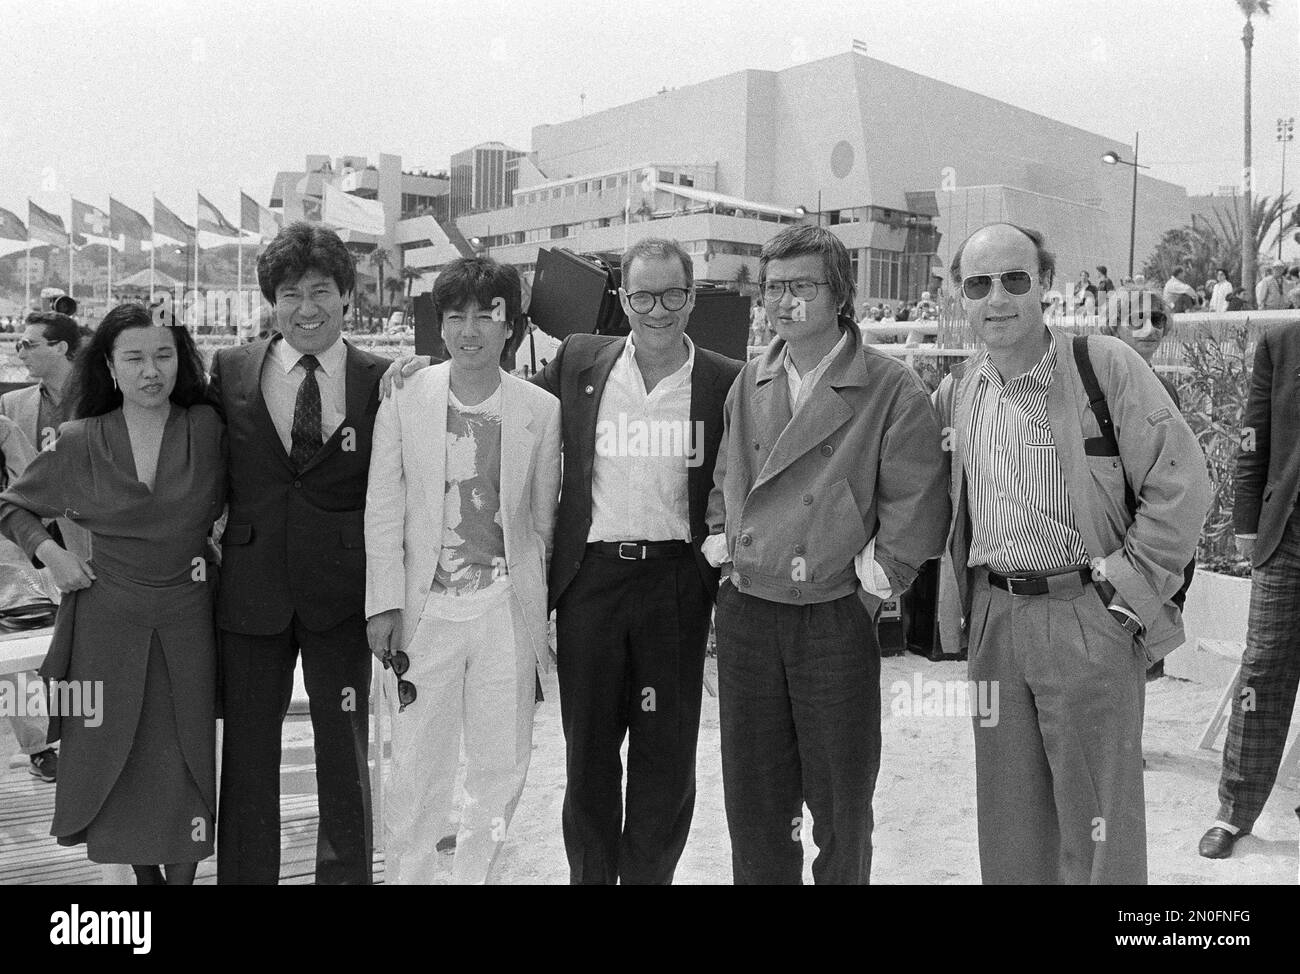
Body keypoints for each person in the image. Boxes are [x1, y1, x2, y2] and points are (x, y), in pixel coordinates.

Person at [380, 237, 743, 884]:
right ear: (622, 300)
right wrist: (414, 371)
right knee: (590, 760)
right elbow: (495, 396)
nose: (657, 309)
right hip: (592, 587)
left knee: (666, 760)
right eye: (641, 295)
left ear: (692, 297)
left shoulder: (724, 380)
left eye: (672, 294)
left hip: (676, 589)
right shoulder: (580, 362)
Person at [934, 222, 1210, 884]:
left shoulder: (1102, 365)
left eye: (1014, 280)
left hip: (1088, 614)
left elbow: (1183, 481)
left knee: (1101, 832)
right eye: (978, 284)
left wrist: (1127, 595)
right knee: (1010, 827)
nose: (996, 298)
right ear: (960, 297)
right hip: (996, 619)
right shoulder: (960, 392)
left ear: (1046, 286)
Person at [704, 225, 949, 883]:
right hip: (749, 612)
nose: (784, 303)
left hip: (833, 614)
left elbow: (918, 503)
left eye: (801, 287)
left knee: (842, 805)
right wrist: (727, 553)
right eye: (774, 288)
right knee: (754, 806)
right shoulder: (748, 383)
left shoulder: (890, 387)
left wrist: (874, 584)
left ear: (840, 294)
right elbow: (729, 478)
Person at [0, 304, 224, 884]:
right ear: (109, 365)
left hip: (190, 617)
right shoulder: (78, 440)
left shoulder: (209, 428)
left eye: (163, 355)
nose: (151, 371)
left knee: (187, 758)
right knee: (114, 758)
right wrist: (52, 555)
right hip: (105, 620)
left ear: (181, 360)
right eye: (135, 358)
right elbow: (13, 504)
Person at [365, 257, 560, 884]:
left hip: (504, 610)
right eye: (456, 316)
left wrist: (537, 612)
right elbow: (383, 508)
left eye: (487, 315)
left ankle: (476, 877)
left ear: (512, 327)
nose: (470, 329)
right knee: (418, 771)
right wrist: (382, 604)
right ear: (440, 325)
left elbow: (540, 524)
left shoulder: (540, 408)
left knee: (499, 772)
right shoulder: (406, 395)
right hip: (426, 613)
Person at [211, 222, 386, 885]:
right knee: (249, 757)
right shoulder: (228, 369)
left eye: (321, 291)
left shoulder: (382, 378)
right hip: (251, 594)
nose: (306, 308)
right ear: (271, 301)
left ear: (347, 295)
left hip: (343, 594)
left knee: (345, 753)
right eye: (290, 293)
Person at [1198, 315, 1300, 858]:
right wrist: (1244, 522)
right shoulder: (1283, 343)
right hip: (1288, 534)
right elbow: (1251, 433)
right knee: (1262, 667)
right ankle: (1235, 813)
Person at [0, 415, 52, 780]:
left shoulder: (2, 428)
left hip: (7, 563)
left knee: (16, 660)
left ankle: (39, 749)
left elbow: (33, 489)